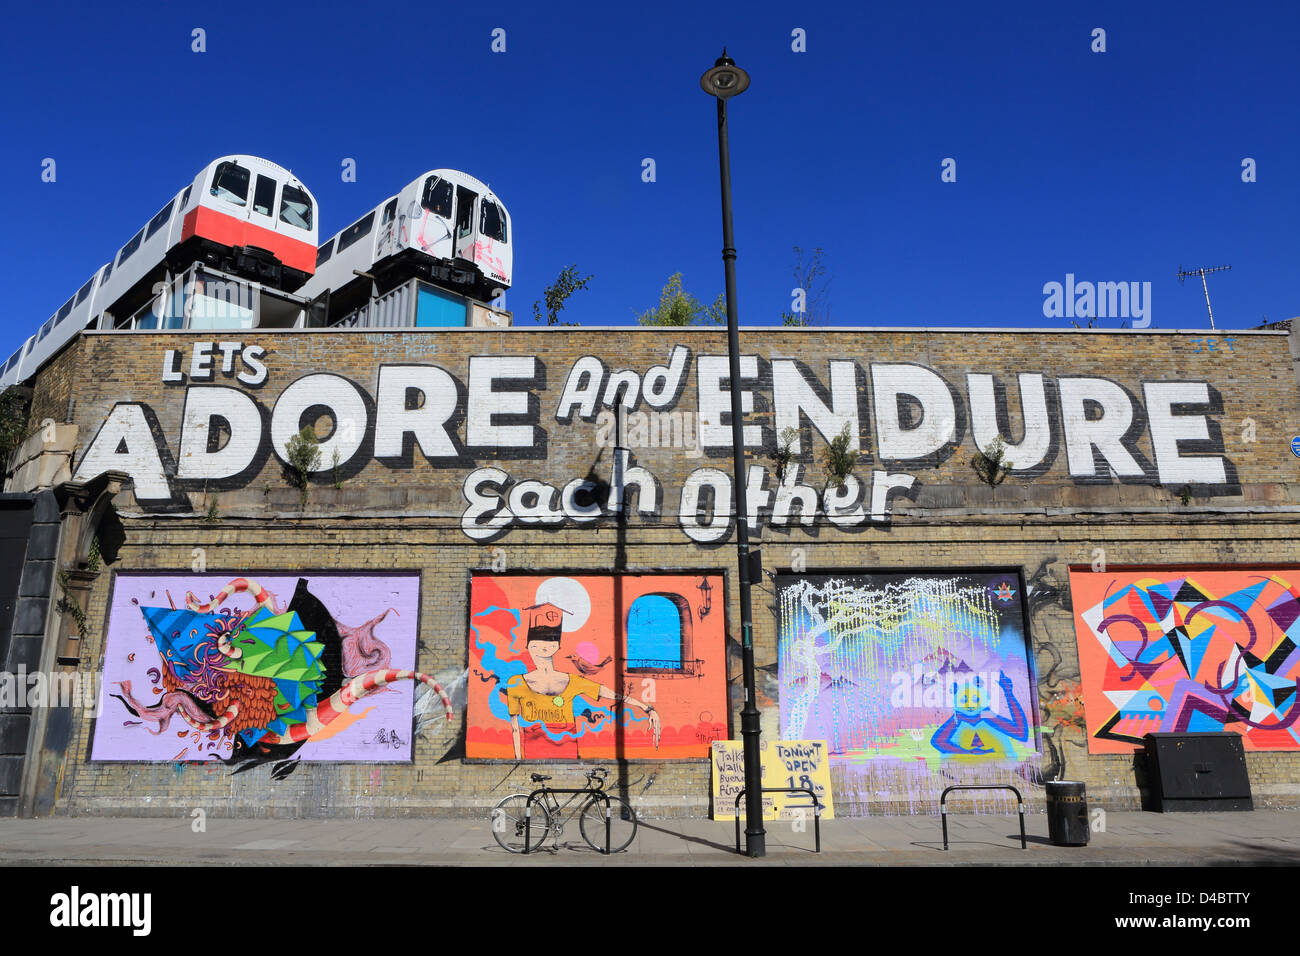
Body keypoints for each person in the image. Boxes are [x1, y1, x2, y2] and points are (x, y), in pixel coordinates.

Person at [505, 604, 661, 760]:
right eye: (537, 643)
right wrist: (518, 762)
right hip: (534, 752)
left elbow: (610, 694)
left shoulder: (573, 681)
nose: (544, 646)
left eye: (550, 641)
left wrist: (646, 708)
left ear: (557, 646)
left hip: (567, 752)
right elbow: (515, 728)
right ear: (529, 646)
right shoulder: (516, 682)